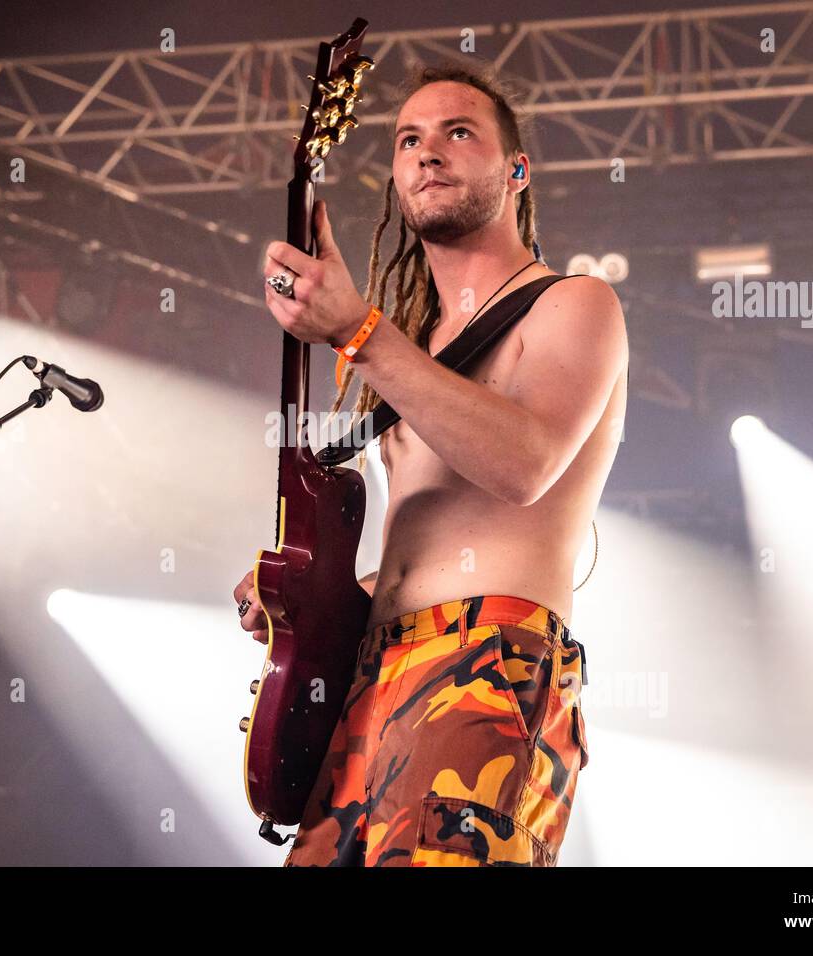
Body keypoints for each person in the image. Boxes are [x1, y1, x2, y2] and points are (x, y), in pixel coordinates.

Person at [233, 65, 628, 866]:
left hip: (491, 656)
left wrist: (359, 332)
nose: (427, 154)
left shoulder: (573, 304)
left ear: (516, 170)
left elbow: (525, 466)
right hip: (374, 674)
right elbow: (428, 548)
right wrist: (310, 598)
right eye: (409, 139)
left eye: (458, 133)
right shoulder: (417, 349)